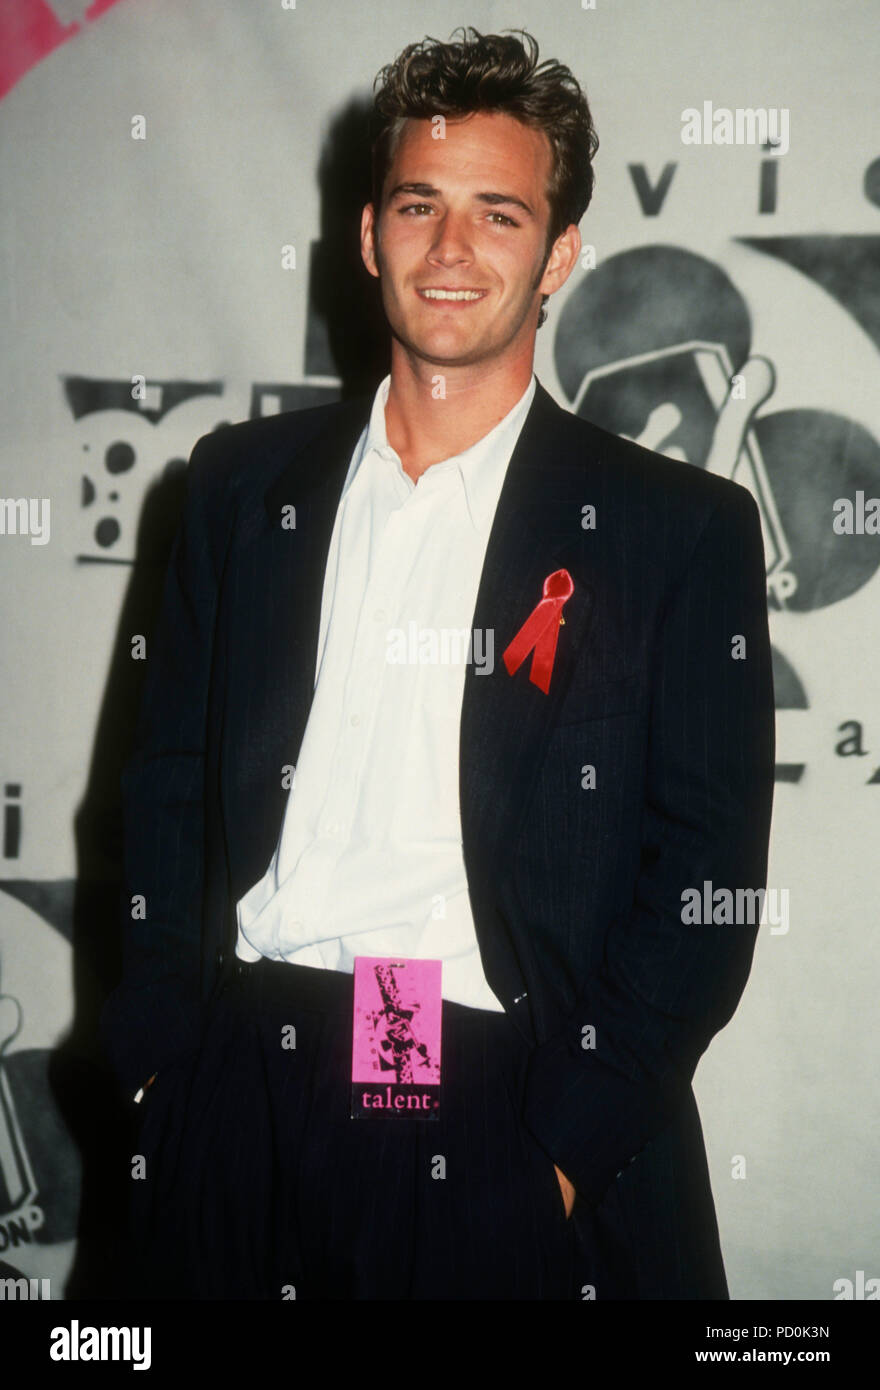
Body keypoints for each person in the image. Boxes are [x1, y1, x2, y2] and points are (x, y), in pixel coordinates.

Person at [100, 27, 775, 1300]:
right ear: (368, 234)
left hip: (503, 1099)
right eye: (419, 205)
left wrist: (561, 1156)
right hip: (241, 1083)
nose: (452, 252)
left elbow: (706, 882)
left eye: (498, 214)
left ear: (558, 254)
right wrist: (156, 1063)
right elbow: (163, 786)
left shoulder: (673, 531)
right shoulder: (242, 491)